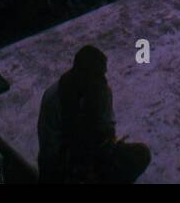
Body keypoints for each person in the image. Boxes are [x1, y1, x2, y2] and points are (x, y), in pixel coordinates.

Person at [37, 45, 150, 184]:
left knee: (140, 155)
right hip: (66, 164)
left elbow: (108, 124)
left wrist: (107, 147)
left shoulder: (102, 91)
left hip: (97, 154)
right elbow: (50, 150)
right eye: (97, 75)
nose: (103, 80)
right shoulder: (54, 98)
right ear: (80, 75)